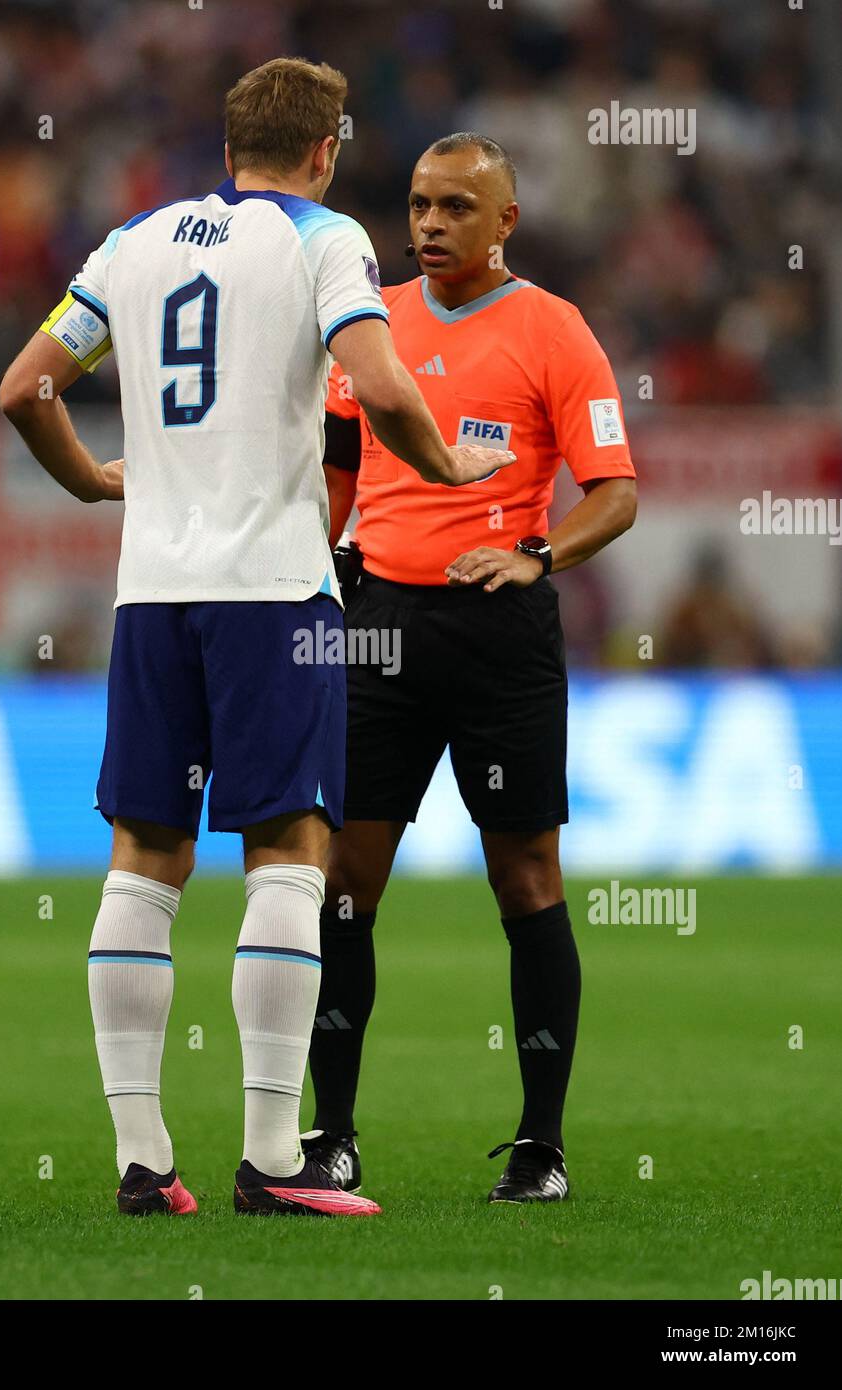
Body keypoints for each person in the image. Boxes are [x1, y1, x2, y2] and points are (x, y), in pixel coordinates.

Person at [0, 66, 506, 1219]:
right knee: (287, 848)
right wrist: (446, 464)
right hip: (275, 594)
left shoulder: (128, 244)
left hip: (151, 598)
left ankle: (141, 1159)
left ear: (231, 146)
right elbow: (375, 383)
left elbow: (25, 386)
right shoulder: (325, 238)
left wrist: (90, 484)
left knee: (144, 855)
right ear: (325, 148)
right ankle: (274, 1156)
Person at [307, 133, 638, 1203]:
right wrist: (319, 565)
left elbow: (612, 491)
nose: (429, 223)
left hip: (500, 636)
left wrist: (536, 552)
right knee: (343, 886)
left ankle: (540, 1147)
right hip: (379, 630)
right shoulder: (368, 326)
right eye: (416, 203)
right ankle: (331, 1137)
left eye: (455, 206)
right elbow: (338, 471)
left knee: (524, 879)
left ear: (504, 222)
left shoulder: (554, 331)